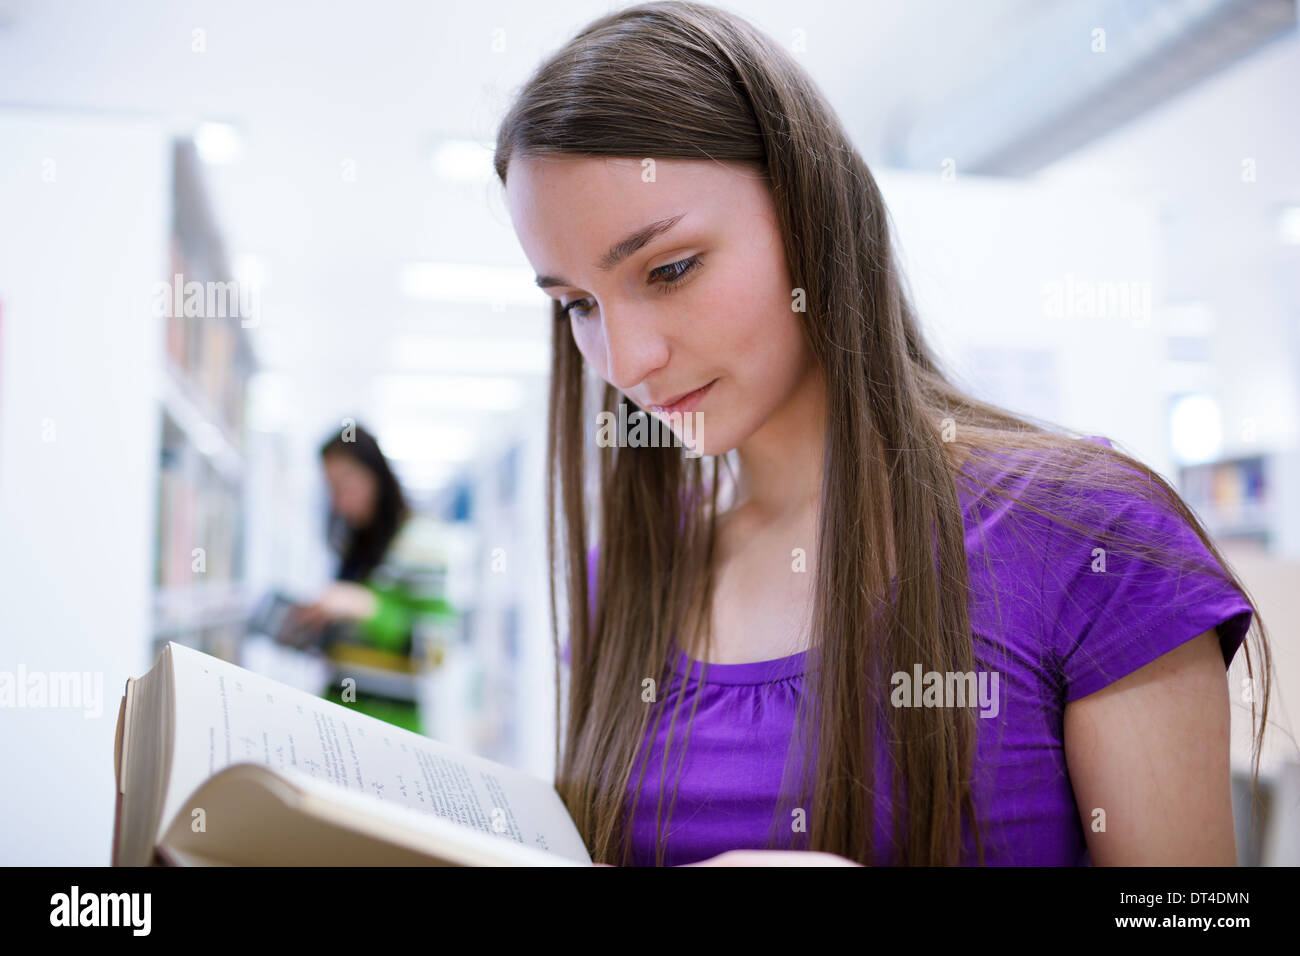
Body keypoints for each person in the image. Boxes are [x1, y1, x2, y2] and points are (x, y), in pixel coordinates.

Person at [493, 1, 1275, 866]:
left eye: (670, 269)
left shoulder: (1089, 535)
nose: (627, 359)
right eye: (577, 306)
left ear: (810, 211)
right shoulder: (625, 584)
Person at [290, 421, 454, 734]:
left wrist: (366, 607)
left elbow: (435, 651)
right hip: (335, 720)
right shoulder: (352, 542)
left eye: (343, 486)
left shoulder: (421, 542)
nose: (338, 502)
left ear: (374, 474)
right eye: (330, 489)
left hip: (391, 730)